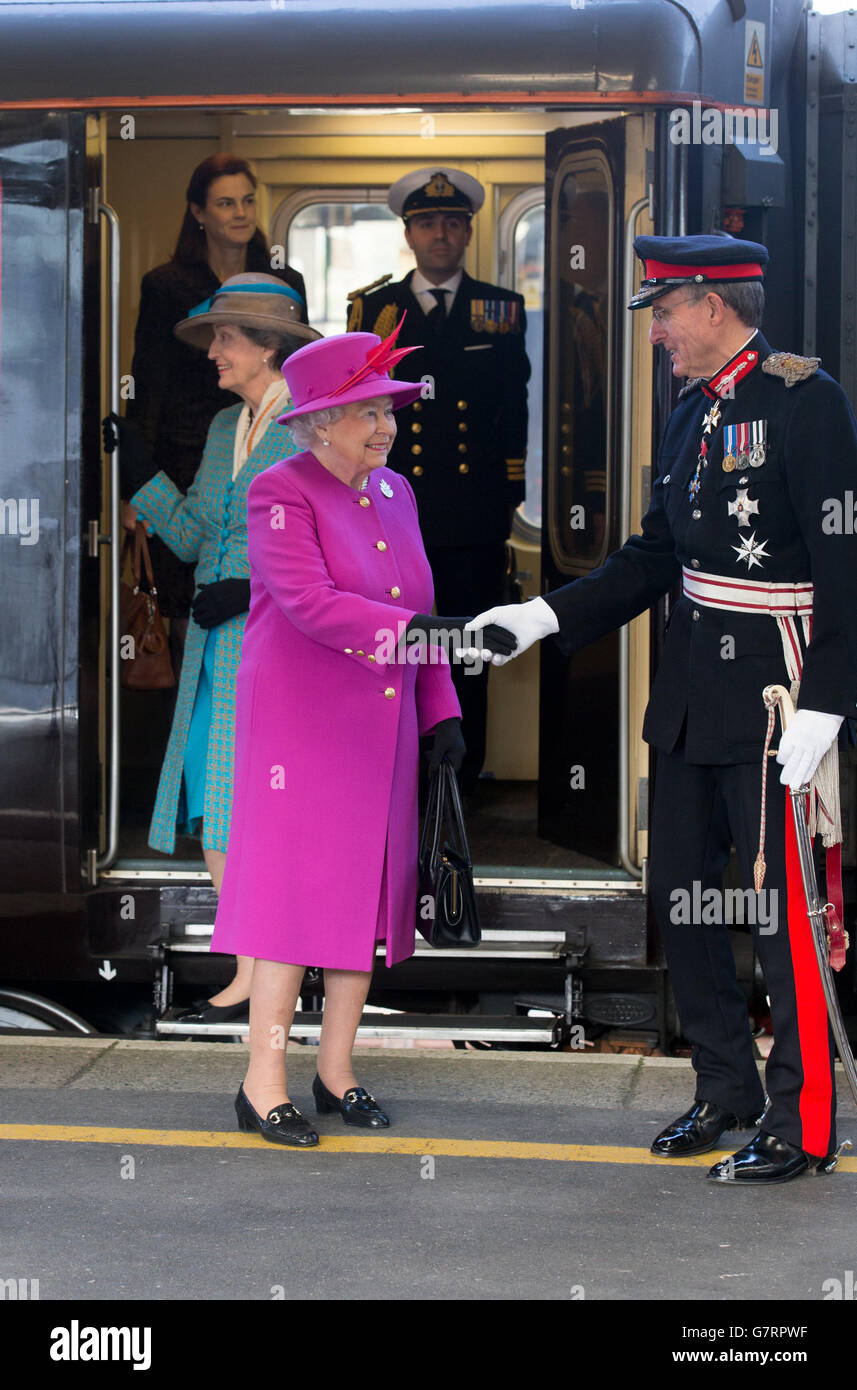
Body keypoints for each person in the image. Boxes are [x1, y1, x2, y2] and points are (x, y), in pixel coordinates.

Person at [466, 234, 857, 1185]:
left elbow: (844, 561)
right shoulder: (689, 412)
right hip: (686, 700)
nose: (656, 335)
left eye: (664, 314)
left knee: (780, 918)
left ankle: (802, 1122)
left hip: (775, 698)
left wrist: (829, 705)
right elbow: (653, 558)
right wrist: (542, 614)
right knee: (682, 903)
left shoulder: (806, 402)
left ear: (712, 304)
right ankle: (723, 1088)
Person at [209, 325, 515, 1146]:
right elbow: (311, 605)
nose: (385, 427)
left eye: (386, 410)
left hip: (382, 730)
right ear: (317, 422)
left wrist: (442, 712)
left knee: (363, 902)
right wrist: (437, 635)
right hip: (300, 732)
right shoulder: (280, 490)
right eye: (365, 413)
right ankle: (261, 1082)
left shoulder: (395, 494)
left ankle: (336, 1072)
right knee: (288, 910)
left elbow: (420, 597)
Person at [122, 274, 320, 1023]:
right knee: (216, 797)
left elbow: (326, 542)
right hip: (214, 642)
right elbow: (195, 535)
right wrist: (138, 473)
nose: (213, 353)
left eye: (226, 338)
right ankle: (247, 968)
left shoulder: (308, 424)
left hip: (280, 639)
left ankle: (271, 968)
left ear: (268, 345)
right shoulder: (218, 429)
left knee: (264, 805)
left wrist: (257, 591)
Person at [346, 167, 530, 791]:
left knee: (467, 646)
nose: (441, 234)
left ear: (470, 231)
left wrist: (508, 499)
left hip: (473, 516)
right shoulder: (374, 309)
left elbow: (514, 410)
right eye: (427, 223)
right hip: (392, 511)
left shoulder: (500, 309)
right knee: (398, 641)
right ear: (409, 232)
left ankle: (462, 776)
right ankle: (397, 770)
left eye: (453, 222)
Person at [119, 154, 308, 675]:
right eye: (226, 202)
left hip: (265, 444)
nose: (241, 212)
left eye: (249, 200)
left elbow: (299, 371)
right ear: (198, 212)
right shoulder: (167, 285)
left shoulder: (284, 281)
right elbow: (149, 384)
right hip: (187, 460)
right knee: (190, 614)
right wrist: (134, 485)